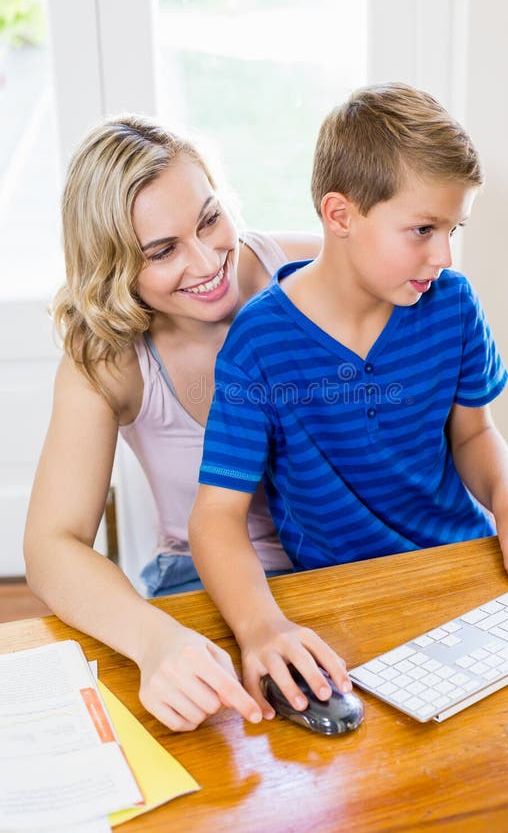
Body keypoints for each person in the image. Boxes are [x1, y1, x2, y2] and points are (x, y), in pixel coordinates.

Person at [189, 82, 508, 721]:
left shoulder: (454, 304)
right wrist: (259, 627)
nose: (443, 255)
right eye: (422, 229)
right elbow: (216, 517)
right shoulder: (260, 344)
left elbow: (472, 435)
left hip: (465, 564)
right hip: (346, 596)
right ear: (341, 214)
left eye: (452, 228)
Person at [24, 115, 320, 731]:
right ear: (115, 270)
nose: (208, 259)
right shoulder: (107, 356)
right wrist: (154, 640)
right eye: (162, 252)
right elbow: (51, 547)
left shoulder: (308, 273)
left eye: (209, 219)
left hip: (336, 559)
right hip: (198, 582)